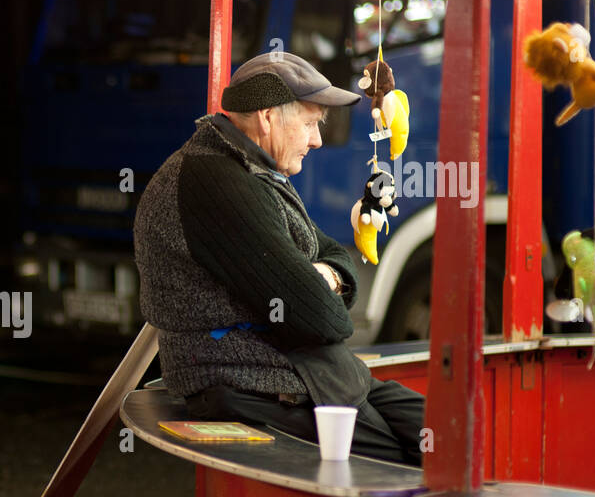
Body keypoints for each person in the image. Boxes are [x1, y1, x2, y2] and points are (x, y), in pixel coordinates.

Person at [132, 51, 425, 465]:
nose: (317, 140)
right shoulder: (217, 183)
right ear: (268, 117)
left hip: (308, 371)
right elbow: (325, 320)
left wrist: (325, 275)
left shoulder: (250, 167)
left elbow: (333, 255)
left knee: (447, 433)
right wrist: (324, 283)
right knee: (407, 461)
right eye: (309, 124)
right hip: (254, 383)